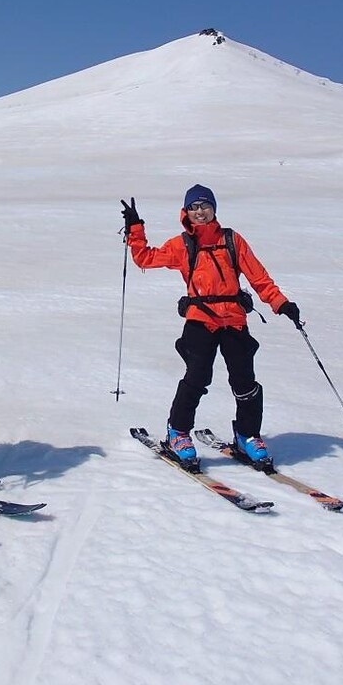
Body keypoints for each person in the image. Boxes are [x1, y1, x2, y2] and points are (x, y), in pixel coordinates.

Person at [122, 184, 300, 471]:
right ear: (186, 212)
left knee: (244, 381)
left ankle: (247, 435)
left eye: (205, 206)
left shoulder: (232, 240)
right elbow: (145, 258)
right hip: (200, 319)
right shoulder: (182, 245)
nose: (200, 212)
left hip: (234, 319)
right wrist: (135, 229)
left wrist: (281, 303)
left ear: (214, 209)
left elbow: (259, 278)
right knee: (197, 375)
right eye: (194, 207)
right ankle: (178, 432)